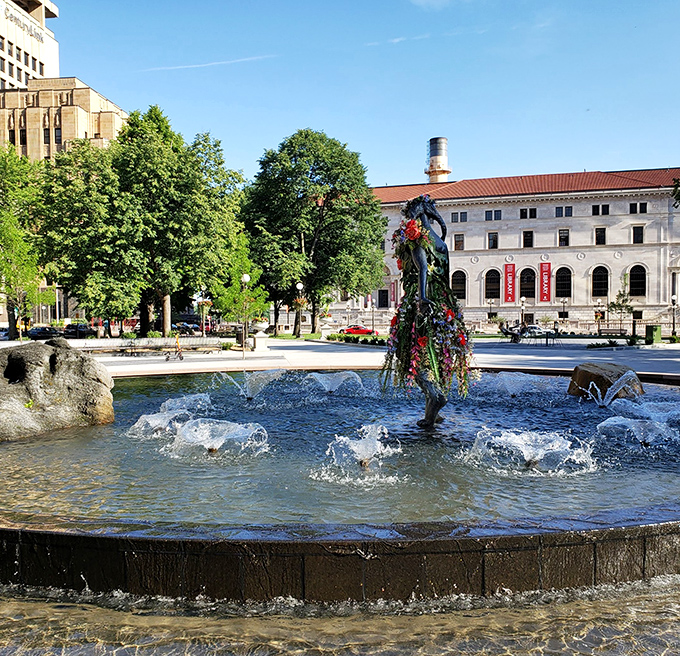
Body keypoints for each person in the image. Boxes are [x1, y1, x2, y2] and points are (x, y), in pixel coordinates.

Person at [382, 195, 473, 428]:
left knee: (409, 351)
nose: (407, 218)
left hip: (422, 300)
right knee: (435, 351)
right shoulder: (441, 244)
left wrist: (422, 298)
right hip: (443, 303)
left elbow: (423, 268)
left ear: (416, 212)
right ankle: (431, 414)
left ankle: (435, 395)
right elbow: (446, 276)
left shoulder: (417, 237)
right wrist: (449, 308)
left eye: (408, 213)